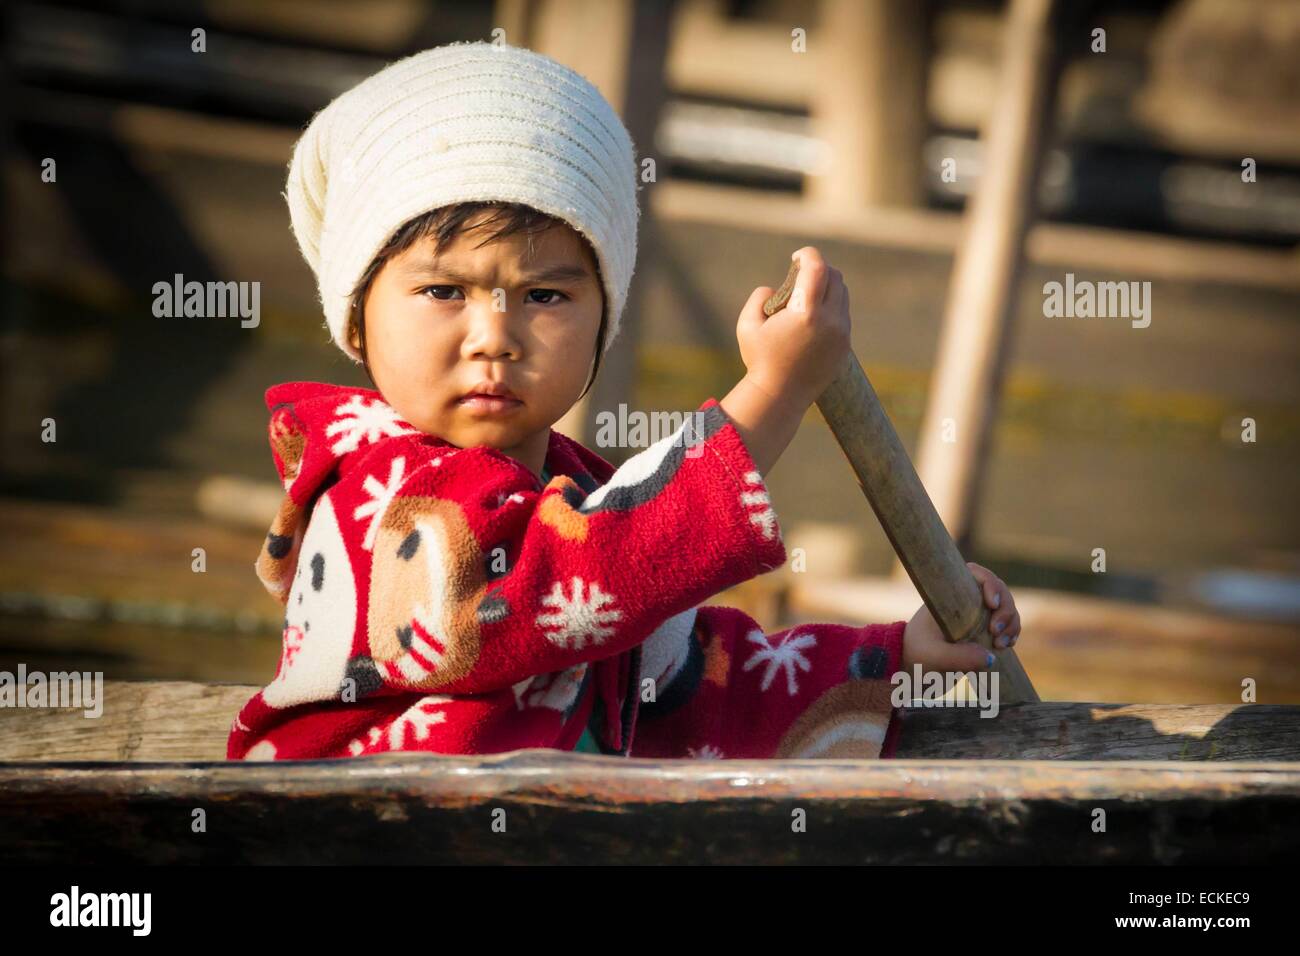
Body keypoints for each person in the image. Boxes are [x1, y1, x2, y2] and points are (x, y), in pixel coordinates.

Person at [227, 41, 1020, 762]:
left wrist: (896, 659)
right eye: (443, 290)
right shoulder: (378, 494)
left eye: (544, 294)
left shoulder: (568, 492)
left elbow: (691, 681)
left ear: (604, 319)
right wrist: (777, 391)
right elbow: (576, 575)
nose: (494, 337)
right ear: (356, 320)